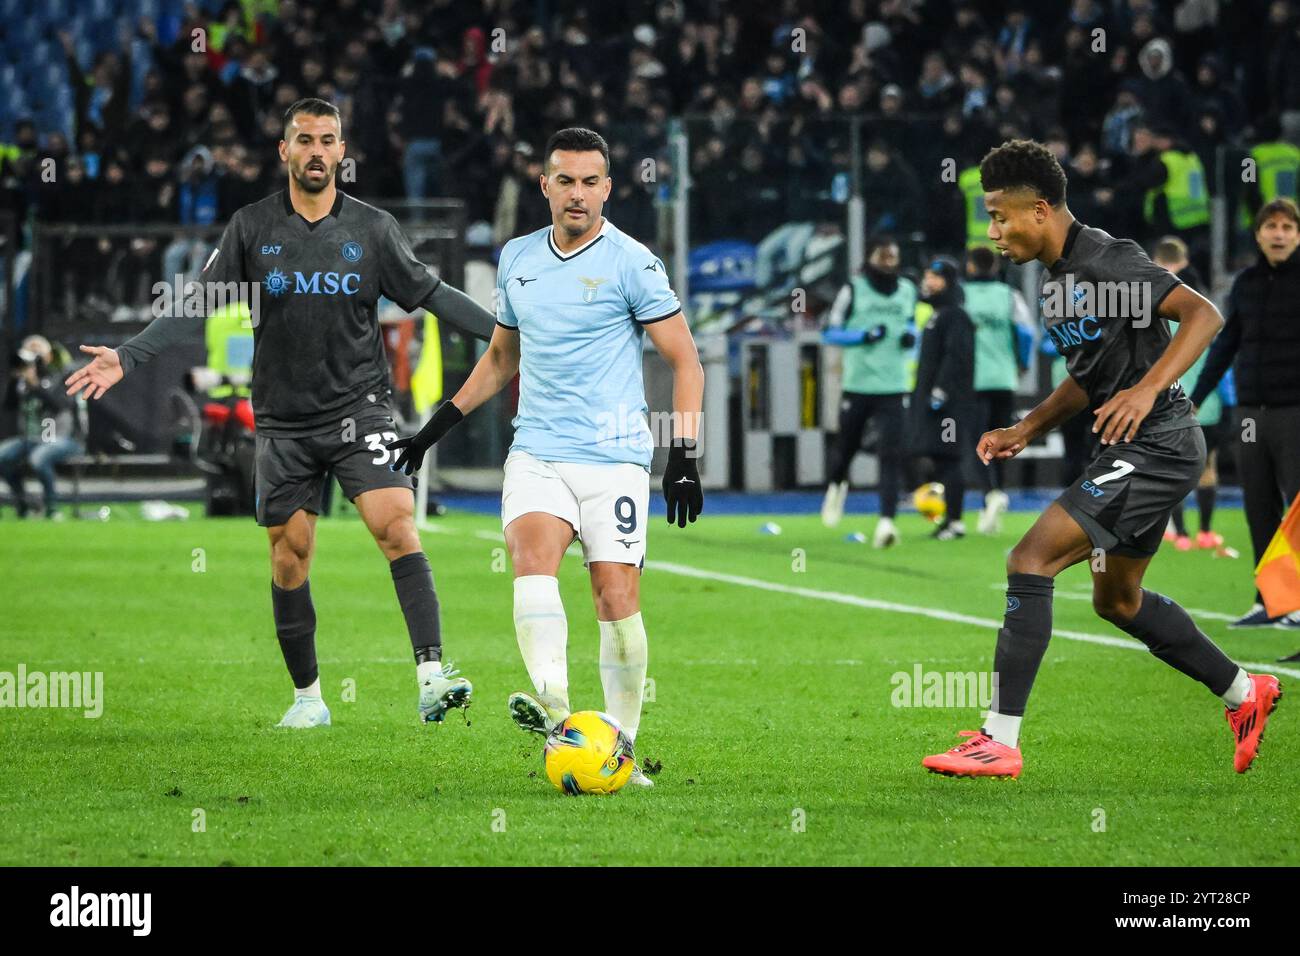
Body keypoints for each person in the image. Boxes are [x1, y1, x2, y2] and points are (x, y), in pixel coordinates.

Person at [65, 98, 499, 729]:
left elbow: (430, 294)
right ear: (285, 150)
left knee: (396, 523)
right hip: (284, 421)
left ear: (342, 152)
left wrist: (504, 334)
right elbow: (196, 301)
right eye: (305, 140)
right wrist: (128, 357)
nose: (317, 151)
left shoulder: (373, 231)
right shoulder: (251, 227)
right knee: (289, 555)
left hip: (360, 410)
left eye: (328, 140)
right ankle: (308, 699)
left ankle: (432, 675)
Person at [922, 139, 1280, 779]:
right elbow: (1090, 376)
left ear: (1039, 210)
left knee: (1029, 559)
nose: (994, 232)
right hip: (1134, 445)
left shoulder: (1108, 259)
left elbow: (1203, 314)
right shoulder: (1057, 280)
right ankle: (1243, 692)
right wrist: (1027, 426)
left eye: (1001, 217)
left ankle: (998, 739)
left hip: (1160, 441)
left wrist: (1144, 391)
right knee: (1117, 601)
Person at [387, 128, 704, 789]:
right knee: (532, 566)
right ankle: (559, 717)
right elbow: (503, 358)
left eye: (591, 182)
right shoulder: (518, 258)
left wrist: (684, 455)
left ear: (608, 189)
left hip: (614, 457)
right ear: (546, 185)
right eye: (566, 181)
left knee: (615, 597)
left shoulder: (634, 263)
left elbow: (684, 358)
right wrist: (432, 430)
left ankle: (620, 747)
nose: (578, 194)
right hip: (537, 452)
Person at [1188, 199, 1300, 630]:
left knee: (1297, 511)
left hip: (1294, 411)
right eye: (1270, 225)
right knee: (1259, 507)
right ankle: (1270, 600)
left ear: (1297, 234)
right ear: (1257, 235)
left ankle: (1294, 600)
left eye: (1287, 227)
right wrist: (1196, 396)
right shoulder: (1246, 285)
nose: (1279, 233)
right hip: (1252, 413)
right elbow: (1226, 344)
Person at [819, 236, 918, 547]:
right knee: (846, 447)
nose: (889, 262)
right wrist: (862, 336)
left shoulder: (907, 290)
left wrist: (910, 339)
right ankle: (836, 487)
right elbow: (829, 332)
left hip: (894, 385)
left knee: (891, 455)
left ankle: (887, 522)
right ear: (870, 257)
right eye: (883, 256)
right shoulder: (853, 289)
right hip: (859, 384)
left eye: (893, 257)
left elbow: (913, 325)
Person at [1150, 237, 1232, 552]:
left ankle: (1180, 533)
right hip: (1205, 401)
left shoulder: (1152, 306)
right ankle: (1206, 533)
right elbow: (1221, 358)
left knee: (1171, 469)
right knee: (1207, 465)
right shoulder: (1204, 307)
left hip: (1168, 401)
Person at [963, 244, 1034, 533]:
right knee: (1001, 441)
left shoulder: (961, 297)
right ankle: (996, 498)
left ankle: (990, 495)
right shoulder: (1009, 295)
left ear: (969, 267)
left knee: (976, 443)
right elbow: (1027, 331)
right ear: (994, 267)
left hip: (973, 381)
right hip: (1004, 378)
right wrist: (1022, 362)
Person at [910, 256, 975, 540]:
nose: (928, 282)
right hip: (933, 401)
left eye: (935, 277)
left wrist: (941, 390)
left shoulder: (954, 316)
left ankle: (956, 521)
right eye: (927, 276)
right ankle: (946, 518)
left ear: (948, 281)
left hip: (949, 404)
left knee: (949, 458)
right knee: (937, 457)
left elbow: (956, 357)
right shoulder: (937, 315)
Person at [0, 336, 83, 519]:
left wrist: (35, 384)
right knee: (2, 457)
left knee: (39, 457)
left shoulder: (62, 374)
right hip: (31, 439)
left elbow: (60, 405)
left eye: (37, 353)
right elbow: (8, 405)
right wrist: (16, 378)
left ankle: (52, 507)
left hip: (62, 438)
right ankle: (24, 503)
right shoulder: (22, 381)